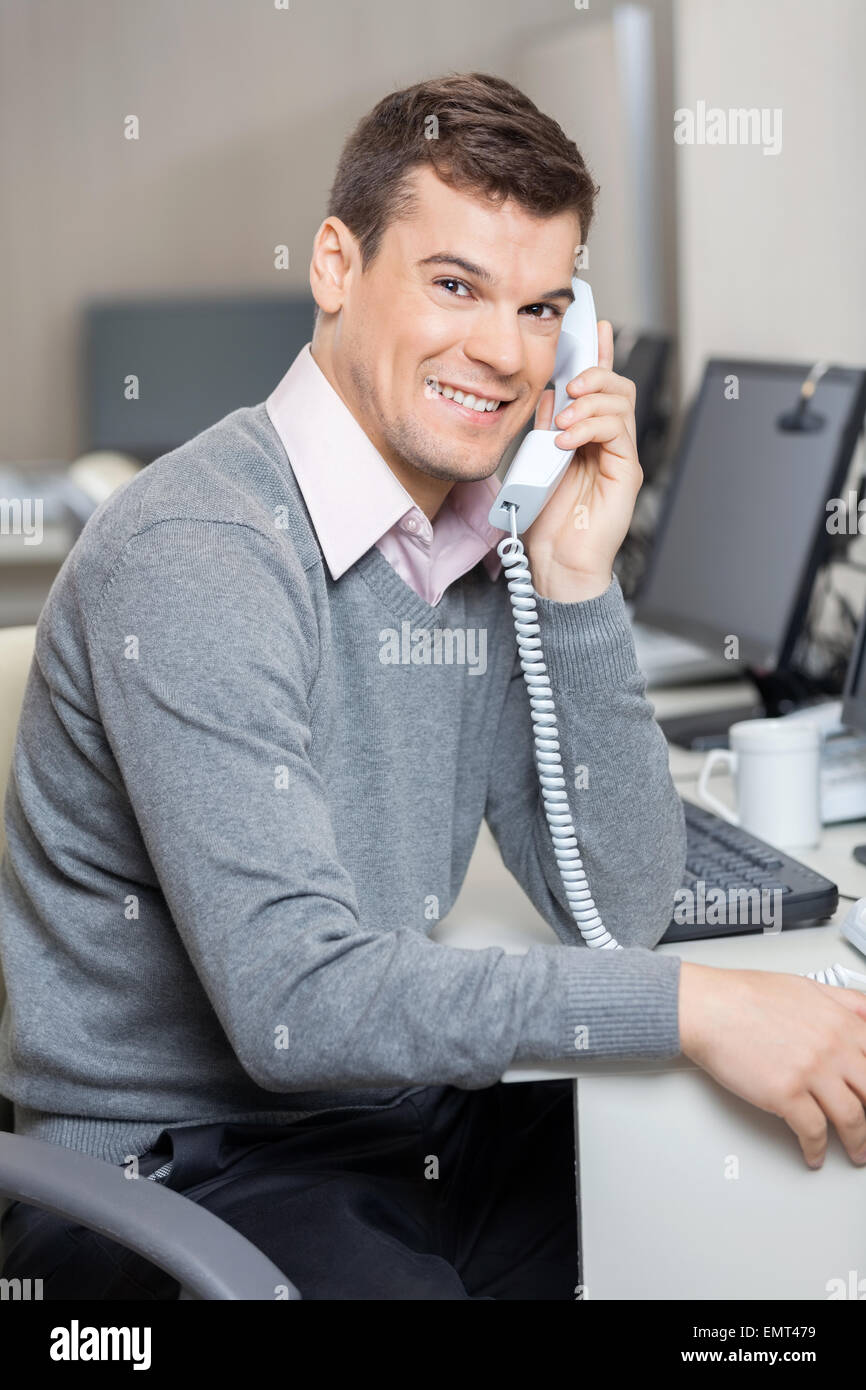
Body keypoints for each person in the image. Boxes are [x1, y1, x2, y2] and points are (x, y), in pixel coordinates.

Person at [2, 72, 866, 1302]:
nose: (500, 352)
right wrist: (696, 1005)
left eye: (537, 307)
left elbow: (617, 903)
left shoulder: (470, 548)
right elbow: (297, 1001)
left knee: (744, 1242)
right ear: (336, 267)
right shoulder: (198, 548)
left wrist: (574, 583)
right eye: (454, 286)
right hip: (172, 1182)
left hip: (395, 1130)